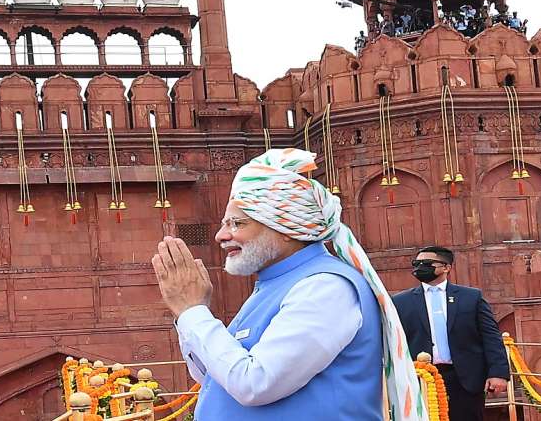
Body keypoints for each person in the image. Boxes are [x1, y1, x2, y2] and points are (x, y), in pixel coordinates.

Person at [151, 149, 425, 421]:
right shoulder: (275, 285)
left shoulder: (325, 287)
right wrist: (189, 315)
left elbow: (255, 383)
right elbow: (216, 375)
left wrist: (193, 312)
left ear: (285, 229)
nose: (222, 236)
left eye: (237, 223)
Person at [393, 246, 509, 421]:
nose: (420, 267)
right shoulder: (401, 301)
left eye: (427, 263)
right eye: (416, 263)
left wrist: (498, 373)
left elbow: (491, 337)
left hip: (464, 379)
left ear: (446, 267)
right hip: (420, 379)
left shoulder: (471, 297)